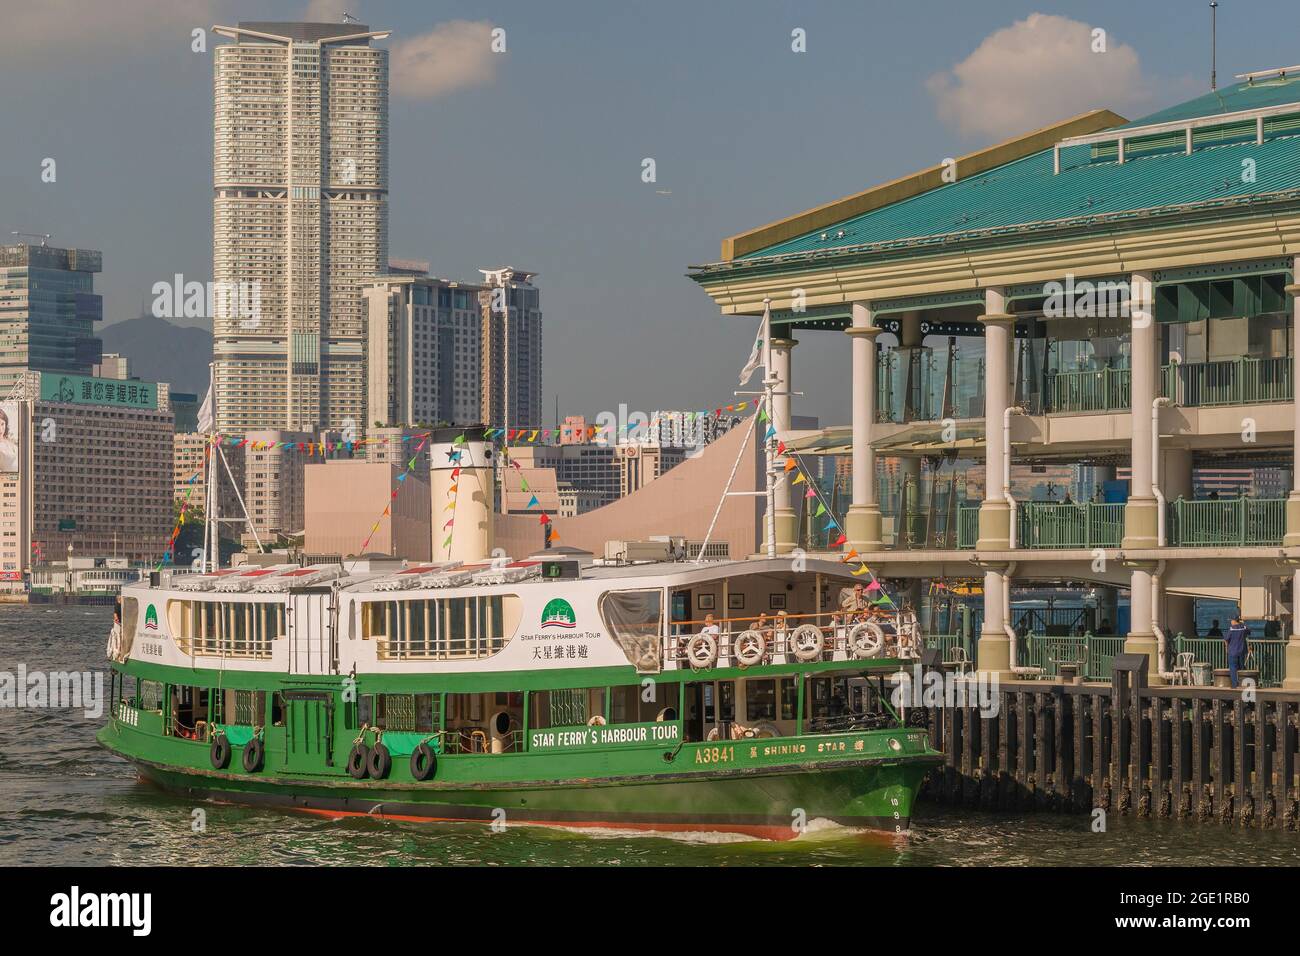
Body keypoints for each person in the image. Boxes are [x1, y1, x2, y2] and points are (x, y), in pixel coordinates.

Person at [1225, 616, 1250, 689]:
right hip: (1241, 651)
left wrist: (1226, 648)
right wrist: (1243, 623)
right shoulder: (1243, 627)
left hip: (1232, 651)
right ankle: (1243, 683)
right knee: (1241, 667)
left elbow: (1226, 639)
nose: (1230, 622)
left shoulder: (1231, 629)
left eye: (1231, 620)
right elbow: (1249, 631)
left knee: (1233, 668)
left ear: (1234, 621)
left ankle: (1234, 685)